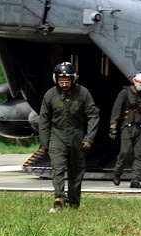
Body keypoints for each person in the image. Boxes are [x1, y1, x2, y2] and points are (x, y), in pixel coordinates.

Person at [37, 61, 98, 210]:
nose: (64, 84)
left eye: (67, 81)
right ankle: (59, 197)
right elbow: (44, 119)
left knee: (76, 171)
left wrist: (89, 138)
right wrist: (45, 143)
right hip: (57, 135)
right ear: (55, 79)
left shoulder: (83, 93)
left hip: (77, 134)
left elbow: (93, 115)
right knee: (57, 167)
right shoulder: (50, 95)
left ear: (73, 79)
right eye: (61, 81)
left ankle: (73, 203)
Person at [109, 72, 141, 189]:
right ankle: (117, 173)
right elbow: (116, 110)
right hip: (126, 127)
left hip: (139, 128)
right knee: (125, 152)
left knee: (139, 155)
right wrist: (113, 127)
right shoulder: (124, 93)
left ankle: (135, 180)